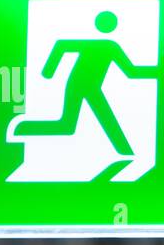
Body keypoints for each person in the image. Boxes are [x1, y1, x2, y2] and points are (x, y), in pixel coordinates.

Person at [15, 10, 156, 156]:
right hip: (77, 85)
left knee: (68, 125)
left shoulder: (111, 47)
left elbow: (131, 71)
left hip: (91, 86)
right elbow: (61, 45)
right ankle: (126, 152)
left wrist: (158, 71)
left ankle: (125, 152)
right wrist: (48, 71)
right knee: (71, 124)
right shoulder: (102, 45)